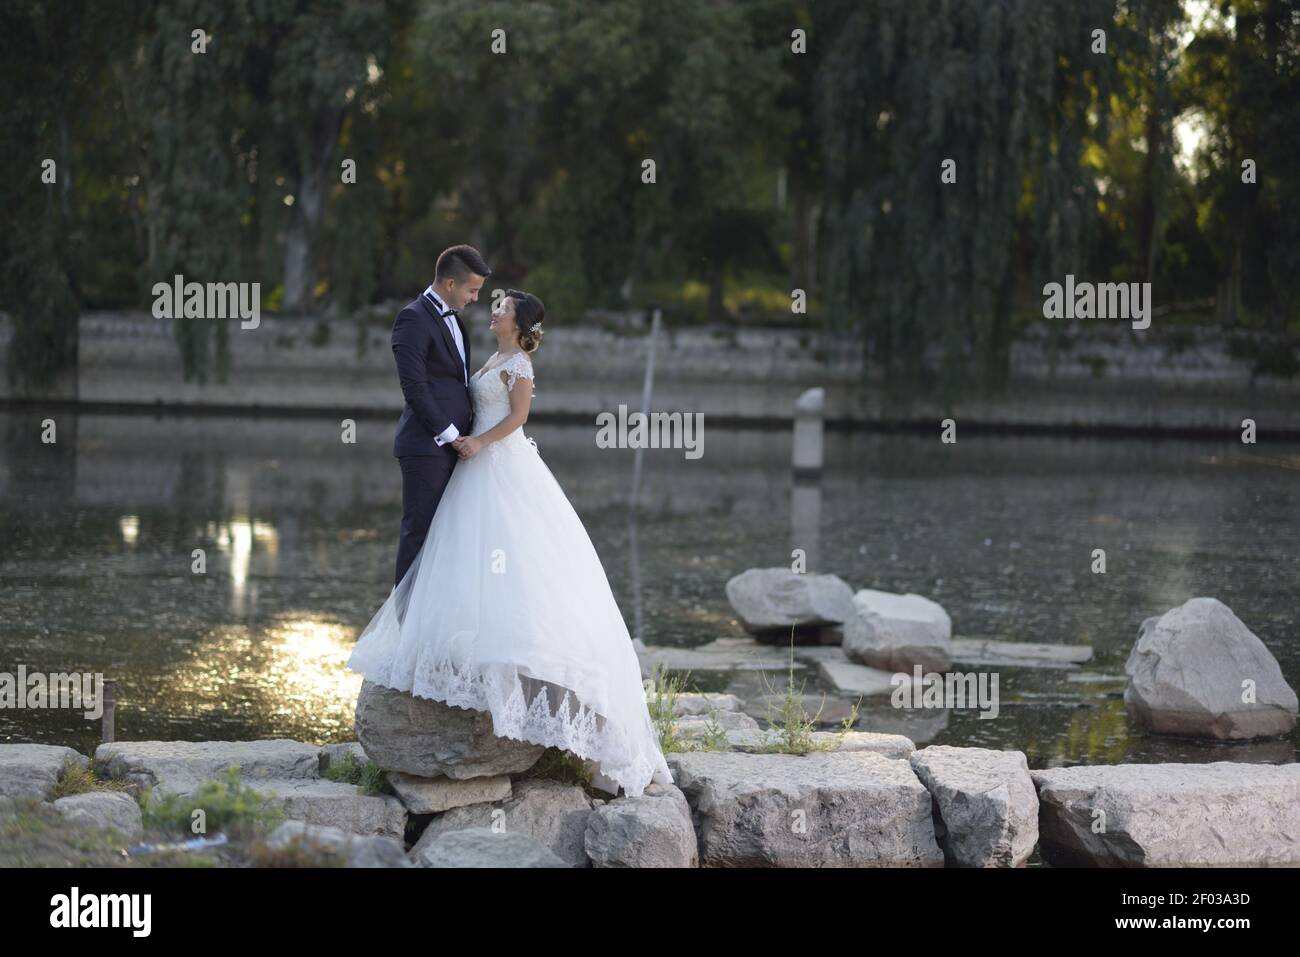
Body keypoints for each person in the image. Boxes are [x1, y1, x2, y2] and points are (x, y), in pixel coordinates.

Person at [349, 288, 675, 798]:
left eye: (501, 306)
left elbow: (518, 417)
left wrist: (478, 441)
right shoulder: (496, 355)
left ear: (518, 321)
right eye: (493, 302)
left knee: (514, 555)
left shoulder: (518, 363)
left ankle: (526, 660)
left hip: (500, 463)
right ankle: (465, 643)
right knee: (461, 552)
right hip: (473, 464)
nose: (493, 308)